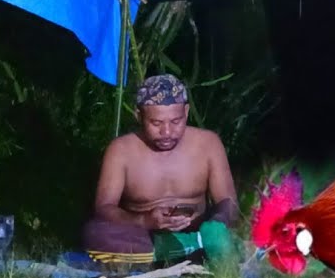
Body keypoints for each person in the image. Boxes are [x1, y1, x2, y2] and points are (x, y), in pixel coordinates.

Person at [82, 74, 240, 267]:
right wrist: (145, 220)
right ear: (138, 115)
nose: (167, 132)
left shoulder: (208, 143)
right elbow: (104, 209)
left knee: (230, 231)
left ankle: (199, 243)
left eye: (175, 122)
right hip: (147, 238)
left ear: (186, 112)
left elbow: (228, 201)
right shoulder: (121, 150)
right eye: (156, 123)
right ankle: (186, 248)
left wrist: (216, 225)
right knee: (94, 233)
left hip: (200, 231)